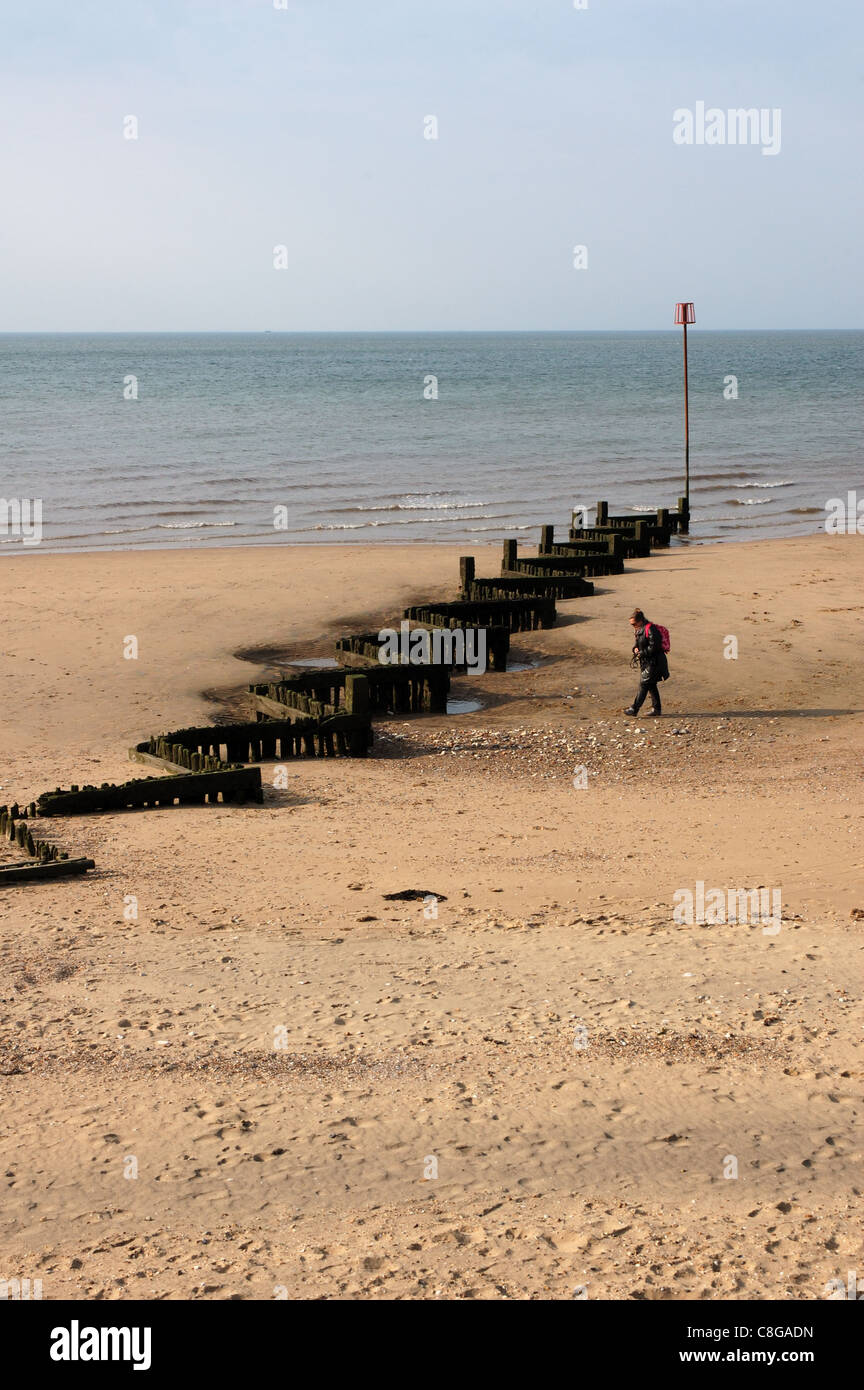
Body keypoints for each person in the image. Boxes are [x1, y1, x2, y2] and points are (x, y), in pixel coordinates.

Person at [624, 608, 668, 716]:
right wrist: (635, 649)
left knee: (644, 684)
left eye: (633, 624)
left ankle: (634, 709)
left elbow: (655, 646)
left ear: (640, 621)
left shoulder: (651, 629)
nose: (632, 626)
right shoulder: (639, 630)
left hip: (655, 662)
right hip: (647, 662)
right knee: (651, 685)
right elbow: (638, 644)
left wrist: (642, 653)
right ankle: (656, 709)